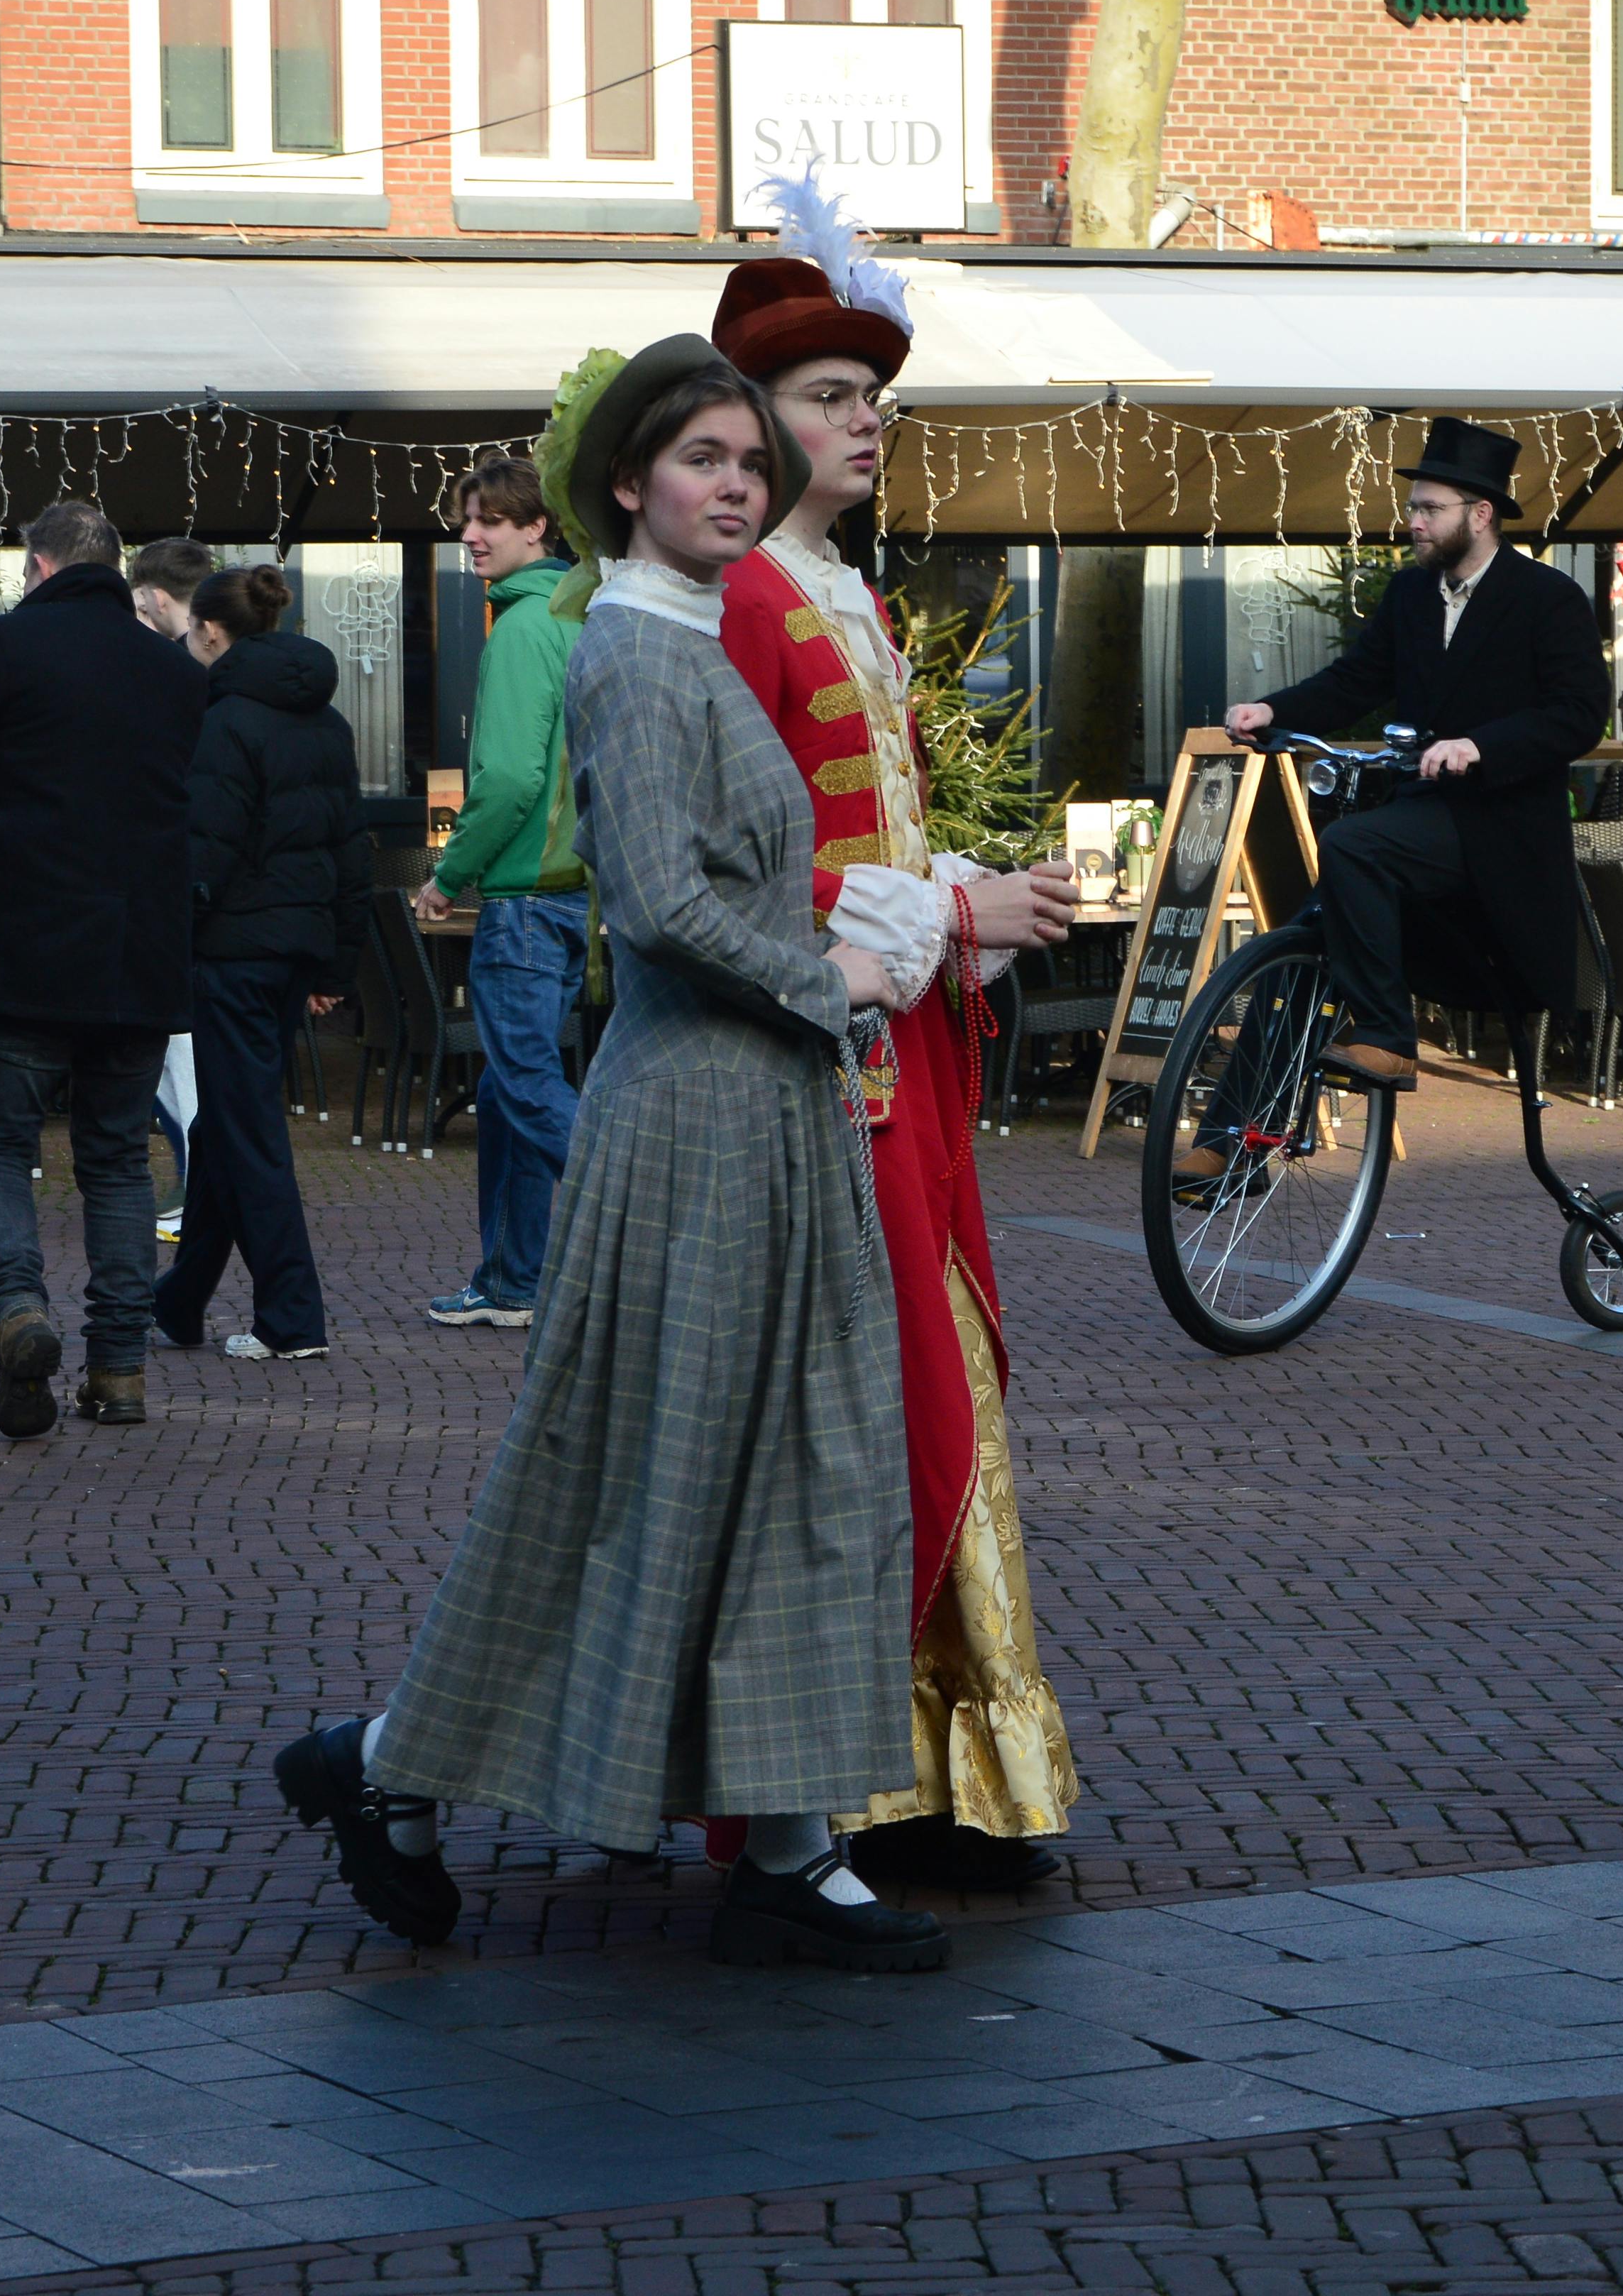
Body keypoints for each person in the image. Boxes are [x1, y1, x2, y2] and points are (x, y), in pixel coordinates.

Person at [276, 336, 941, 1976]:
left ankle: (778, 1839)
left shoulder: (689, 639)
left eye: (744, 460)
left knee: (776, 1460)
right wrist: (837, 972)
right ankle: (389, 1767)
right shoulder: (638, 653)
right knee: (654, 1473)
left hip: (756, 1103)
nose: (733, 481)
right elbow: (653, 902)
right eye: (701, 457)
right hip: (703, 1115)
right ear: (627, 485)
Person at [709, 180, 1084, 1893]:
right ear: (742, 422)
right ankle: (840, 1777)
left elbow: (864, 834)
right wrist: (948, 918)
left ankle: (937, 1763)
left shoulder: (839, 594)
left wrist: (965, 891)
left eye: (874, 399)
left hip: (896, 1052)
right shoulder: (742, 605)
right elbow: (753, 879)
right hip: (820, 1064)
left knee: (941, 1381)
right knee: (872, 1399)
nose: (866, 423)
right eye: (827, 398)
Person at [0, 501, 209, 1438]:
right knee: (116, 1159)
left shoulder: (2, 649)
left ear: (37, 566)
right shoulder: (173, 672)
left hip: (17, 952)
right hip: (134, 952)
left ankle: (20, 1311)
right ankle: (118, 1371)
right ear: (114, 568)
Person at [1222, 417, 1609, 1094]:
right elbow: (1354, 682)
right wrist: (1274, 711)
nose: (1416, 522)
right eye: (1413, 508)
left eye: (1431, 509)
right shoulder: (1410, 596)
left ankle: (1389, 1039)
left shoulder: (1546, 598)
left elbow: (1577, 714)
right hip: (1422, 816)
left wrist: (1479, 746)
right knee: (1302, 942)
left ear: (1482, 514)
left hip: (1497, 827)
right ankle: (1228, 1140)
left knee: (1352, 846)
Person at [151, 564, 368, 1363]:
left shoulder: (225, 720)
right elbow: (351, 850)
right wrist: (335, 965)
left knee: (245, 1133)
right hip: (293, 949)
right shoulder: (328, 721)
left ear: (210, 631)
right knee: (228, 1126)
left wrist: (169, 944)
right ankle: (179, 1302)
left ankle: (291, 1316)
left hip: (234, 951)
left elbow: (202, 854)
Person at [417, 452, 585, 1331]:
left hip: (522, 896)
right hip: (573, 893)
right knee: (511, 1091)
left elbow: (512, 778)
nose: (470, 536)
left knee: (520, 1086)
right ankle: (512, 1280)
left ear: (536, 527)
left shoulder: (522, 628)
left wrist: (450, 875)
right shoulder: (577, 617)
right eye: (466, 520)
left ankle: (643, 1222)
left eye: (488, 520)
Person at [123, 539, 219, 1236]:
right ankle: (201, 1186)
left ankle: (200, 1190)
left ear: (155, 598)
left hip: (174, 882)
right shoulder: (219, 666)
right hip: (204, 883)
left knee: (180, 1054)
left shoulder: (171, 674)